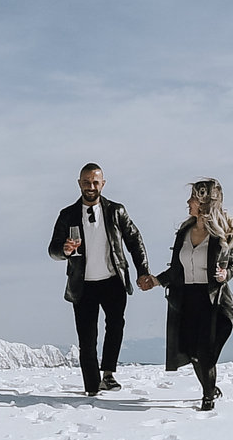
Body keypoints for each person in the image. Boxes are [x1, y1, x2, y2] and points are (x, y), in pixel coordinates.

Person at [48, 163, 155, 396]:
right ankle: (91, 389)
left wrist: (143, 271)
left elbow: (135, 241)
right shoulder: (67, 215)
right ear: (79, 183)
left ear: (103, 184)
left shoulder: (117, 211)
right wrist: (65, 250)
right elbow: (52, 250)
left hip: (112, 281)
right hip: (82, 284)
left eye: (95, 182)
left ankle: (108, 374)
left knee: (115, 326)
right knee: (87, 338)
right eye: (86, 182)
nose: (91, 186)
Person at [159, 177, 233, 411]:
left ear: (204, 203)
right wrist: (155, 280)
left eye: (193, 198)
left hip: (213, 300)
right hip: (187, 300)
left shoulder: (224, 234)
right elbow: (177, 269)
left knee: (206, 352)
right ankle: (210, 388)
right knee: (192, 353)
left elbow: (232, 264)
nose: (188, 202)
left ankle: (207, 400)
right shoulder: (184, 232)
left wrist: (225, 275)